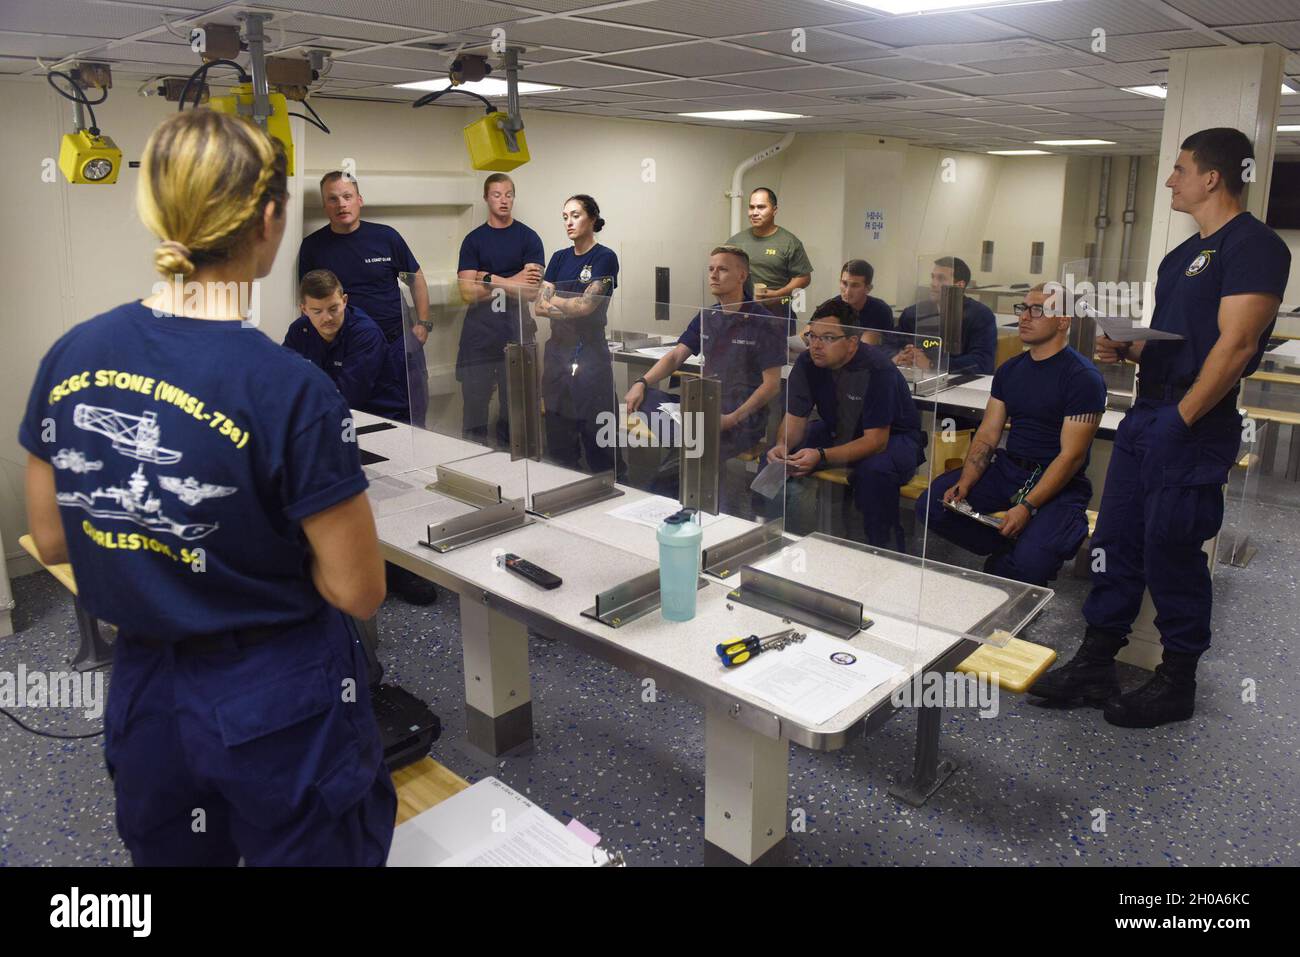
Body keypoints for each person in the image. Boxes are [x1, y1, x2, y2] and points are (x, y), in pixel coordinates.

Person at [20, 110, 394, 865]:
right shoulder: (290, 388)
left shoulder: (71, 354)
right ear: (268, 220)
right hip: (276, 696)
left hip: (146, 689)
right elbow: (358, 589)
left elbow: (54, 536)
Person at [1033, 127, 1291, 728]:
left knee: (1172, 550)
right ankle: (1098, 660)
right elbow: (1185, 345)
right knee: (1116, 541)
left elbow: (1237, 345)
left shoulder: (1254, 246)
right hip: (1149, 412)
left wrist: (1182, 418)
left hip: (1192, 424)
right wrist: (1131, 352)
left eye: (1179, 169)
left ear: (1212, 177)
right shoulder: (1180, 257)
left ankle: (1178, 681)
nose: (1170, 180)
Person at [917, 283, 1105, 585]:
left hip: (1058, 482)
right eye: (1023, 308)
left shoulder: (1083, 378)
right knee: (934, 504)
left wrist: (1027, 507)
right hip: (1008, 471)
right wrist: (965, 482)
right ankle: (1009, 545)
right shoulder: (1010, 370)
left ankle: (1030, 551)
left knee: (1032, 564)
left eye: (1037, 309)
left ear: (1063, 320)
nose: (1024, 317)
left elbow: (1071, 457)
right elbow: (988, 435)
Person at [625, 246, 784, 509]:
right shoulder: (708, 316)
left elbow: (771, 385)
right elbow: (676, 356)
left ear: (742, 276)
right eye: (711, 269)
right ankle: (685, 452)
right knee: (646, 400)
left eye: (722, 269)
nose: (713, 275)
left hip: (741, 417)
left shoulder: (763, 321)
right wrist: (640, 383)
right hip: (706, 408)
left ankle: (684, 502)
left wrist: (731, 418)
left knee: (694, 450)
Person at [770, 297, 925, 549]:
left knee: (874, 473)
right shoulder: (808, 362)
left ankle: (884, 550)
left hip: (893, 438)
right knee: (781, 456)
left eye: (828, 338)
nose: (817, 345)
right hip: (838, 429)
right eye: (812, 336)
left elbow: (876, 441)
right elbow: (795, 418)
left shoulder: (877, 369)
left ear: (852, 342)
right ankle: (773, 533)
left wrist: (821, 455)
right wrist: (782, 444)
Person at [297, 171, 430, 425]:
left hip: (397, 344)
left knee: (413, 423)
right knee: (359, 424)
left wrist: (424, 324)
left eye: (347, 196)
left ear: (360, 199)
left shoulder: (386, 237)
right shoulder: (313, 246)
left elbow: (417, 279)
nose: (341, 204)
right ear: (325, 205)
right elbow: (307, 300)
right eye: (333, 199)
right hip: (349, 352)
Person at [456, 173, 545, 448]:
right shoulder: (474, 240)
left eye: (508, 194)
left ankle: (515, 470)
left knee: (516, 408)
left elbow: (531, 292)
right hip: (479, 337)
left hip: (515, 333)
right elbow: (466, 292)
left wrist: (491, 279)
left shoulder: (529, 238)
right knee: (475, 409)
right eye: (497, 195)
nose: (503, 200)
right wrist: (514, 280)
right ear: (486, 198)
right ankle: (474, 467)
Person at [535, 194, 619, 473]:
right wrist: (567, 303)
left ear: (592, 219)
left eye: (576, 215)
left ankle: (608, 491)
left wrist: (556, 299)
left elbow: (586, 306)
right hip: (558, 352)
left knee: (597, 434)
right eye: (565, 217)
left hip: (590, 353)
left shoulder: (605, 257)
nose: (569, 222)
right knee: (558, 433)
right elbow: (539, 306)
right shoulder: (559, 257)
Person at [283, 269, 406, 422]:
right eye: (317, 311)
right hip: (327, 416)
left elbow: (348, 396)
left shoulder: (366, 334)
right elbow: (283, 380)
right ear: (304, 310)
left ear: (345, 300)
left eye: (333, 309)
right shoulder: (299, 331)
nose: (327, 318)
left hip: (379, 419)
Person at [726, 187, 812, 333]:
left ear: (774, 210)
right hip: (743, 315)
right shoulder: (735, 242)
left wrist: (779, 294)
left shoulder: (789, 242)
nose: (754, 212)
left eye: (761, 207)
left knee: (778, 355)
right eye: (751, 207)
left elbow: (803, 278)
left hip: (778, 316)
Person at [895, 256, 996, 374]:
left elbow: (982, 362)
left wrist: (932, 365)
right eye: (932, 277)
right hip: (914, 377)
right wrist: (899, 356)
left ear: (959, 285)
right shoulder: (913, 313)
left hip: (959, 384)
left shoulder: (980, 315)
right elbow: (889, 344)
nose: (933, 283)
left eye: (941, 278)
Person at [834, 259, 894, 343]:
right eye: (844, 283)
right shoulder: (830, 307)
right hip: (835, 354)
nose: (847, 291)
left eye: (855, 285)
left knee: (870, 337)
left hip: (869, 353)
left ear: (868, 289)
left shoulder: (881, 310)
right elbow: (810, 331)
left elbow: (889, 347)